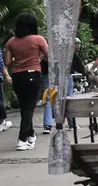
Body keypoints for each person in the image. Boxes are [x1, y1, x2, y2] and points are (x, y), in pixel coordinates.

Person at [4, 13, 48, 151]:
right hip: (33, 74)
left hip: (17, 76)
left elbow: (7, 62)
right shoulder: (38, 39)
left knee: (25, 106)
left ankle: (31, 135)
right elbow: (49, 56)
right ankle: (22, 139)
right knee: (29, 108)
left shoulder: (11, 41)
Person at [42, 39, 87, 134]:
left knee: (49, 100)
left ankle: (47, 125)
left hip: (50, 75)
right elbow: (78, 63)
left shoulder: (49, 49)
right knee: (67, 99)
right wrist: (85, 73)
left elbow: (44, 62)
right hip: (65, 75)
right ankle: (71, 124)